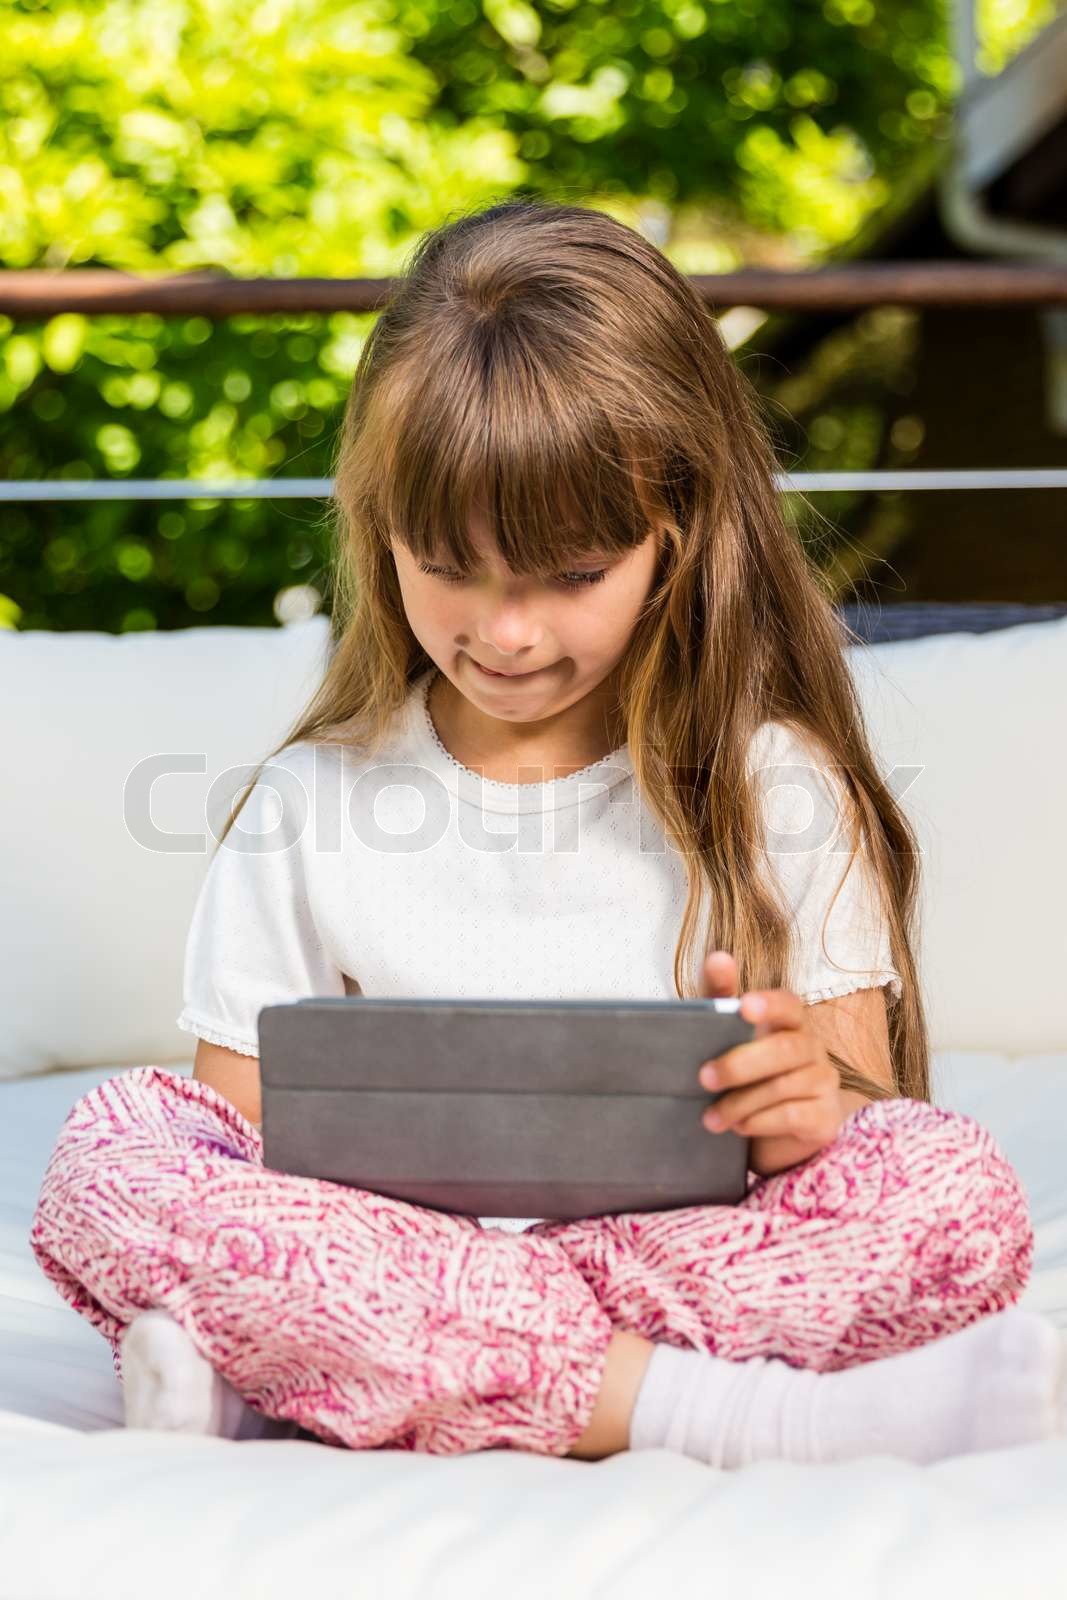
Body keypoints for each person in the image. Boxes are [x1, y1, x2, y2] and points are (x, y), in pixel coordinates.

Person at [30, 199, 1065, 1468]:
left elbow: (861, 1121)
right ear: (381, 532)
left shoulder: (775, 785)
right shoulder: (313, 800)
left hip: (622, 1261)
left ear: (671, 538)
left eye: (569, 574)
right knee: (114, 1151)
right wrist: (358, 1250)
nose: (504, 633)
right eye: (447, 567)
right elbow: (243, 1150)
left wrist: (806, 1112)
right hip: (370, 1250)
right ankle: (720, 1414)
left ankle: (333, 1377)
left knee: (943, 1187)